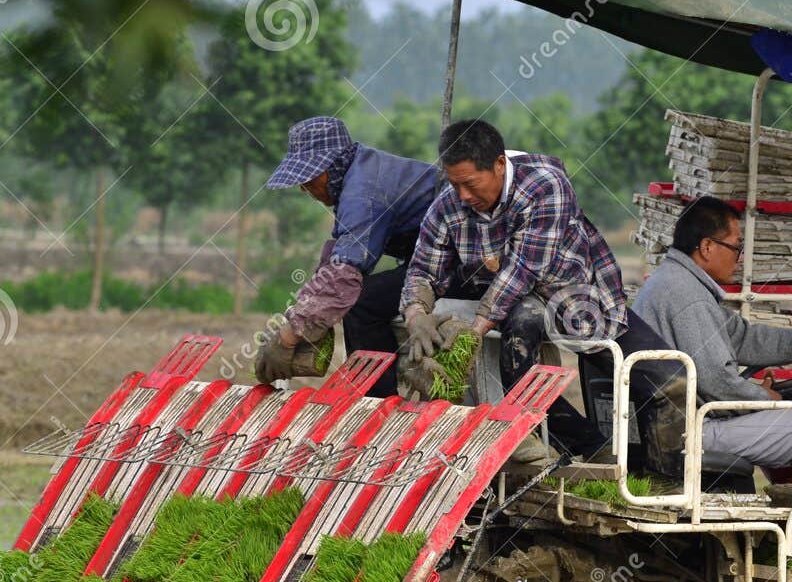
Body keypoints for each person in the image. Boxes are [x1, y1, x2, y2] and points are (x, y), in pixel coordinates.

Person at [400, 118, 672, 459]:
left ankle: (665, 477)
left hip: (576, 297)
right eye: (455, 186)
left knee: (667, 380)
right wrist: (416, 314)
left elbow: (523, 269)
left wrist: (473, 334)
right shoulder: (448, 205)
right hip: (513, 302)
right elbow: (423, 268)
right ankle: (571, 441)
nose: (463, 196)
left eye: (470, 184)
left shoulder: (545, 185)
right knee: (523, 323)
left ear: (499, 164)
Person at [632, 196, 792, 488]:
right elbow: (715, 380)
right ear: (707, 247)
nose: (739, 258)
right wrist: (765, 399)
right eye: (736, 247)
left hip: (675, 422)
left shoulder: (676, 282)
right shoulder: (687, 297)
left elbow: (744, 338)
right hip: (687, 432)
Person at [257, 117, 442, 397]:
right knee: (360, 295)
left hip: (457, 262)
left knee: (361, 303)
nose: (303, 188)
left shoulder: (362, 195)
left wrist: (287, 338)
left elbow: (344, 277)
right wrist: (304, 312)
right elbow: (339, 257)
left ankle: (376, 403)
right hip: (428, 259)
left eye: (308, 177)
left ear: (330, 169)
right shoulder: (360, 170)